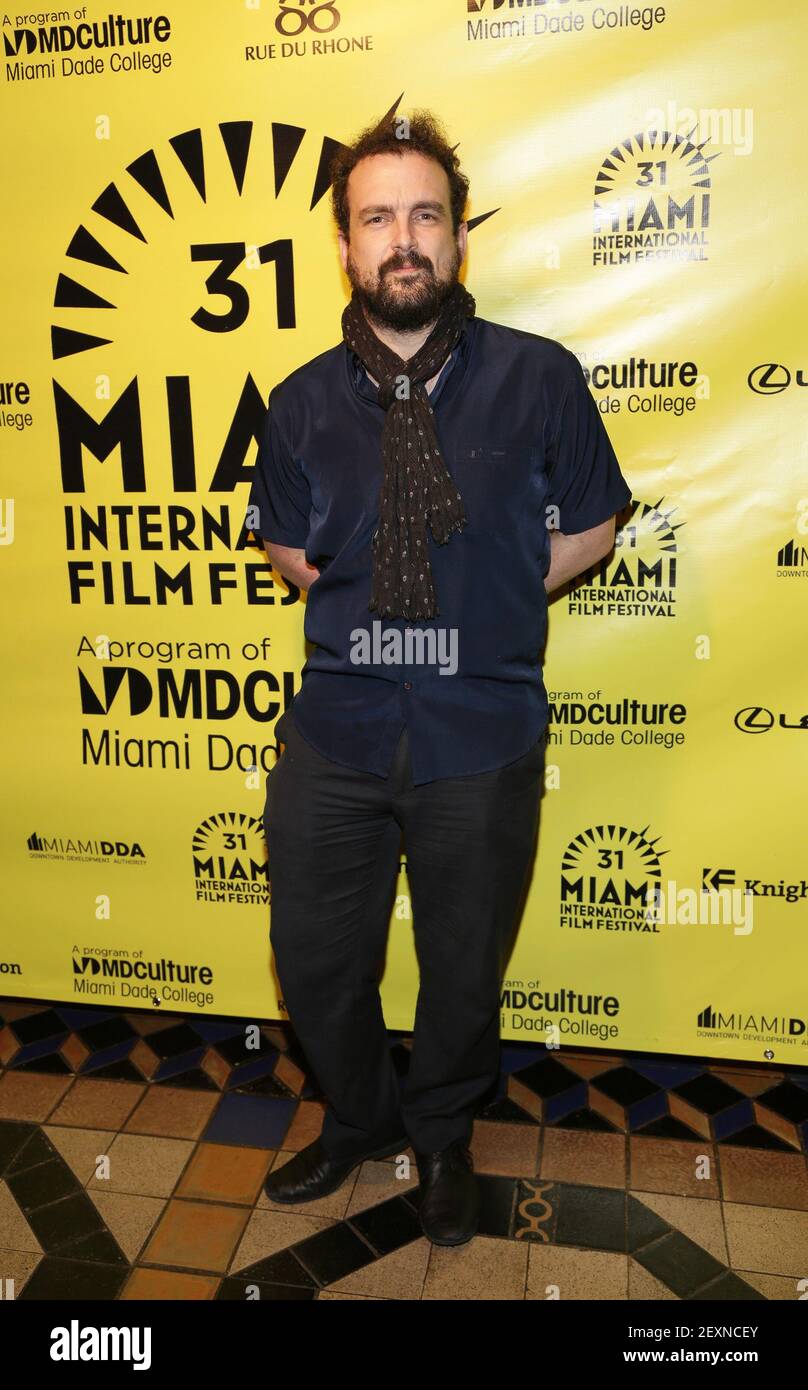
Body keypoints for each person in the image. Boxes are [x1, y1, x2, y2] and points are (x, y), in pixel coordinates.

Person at [245, 110, 632, 1247]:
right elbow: (289, 547)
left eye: (424, 214)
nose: (401, 238)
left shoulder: (538, 376)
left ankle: (445, 1135)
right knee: (315, 959)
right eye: (377, 218)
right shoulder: (301, 400)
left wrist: (495, 603)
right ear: (347, 243)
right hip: (339, 728)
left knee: (463, 963)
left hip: (483, 725)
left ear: (459, 238)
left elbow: (594, 526)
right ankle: (360, 1118)